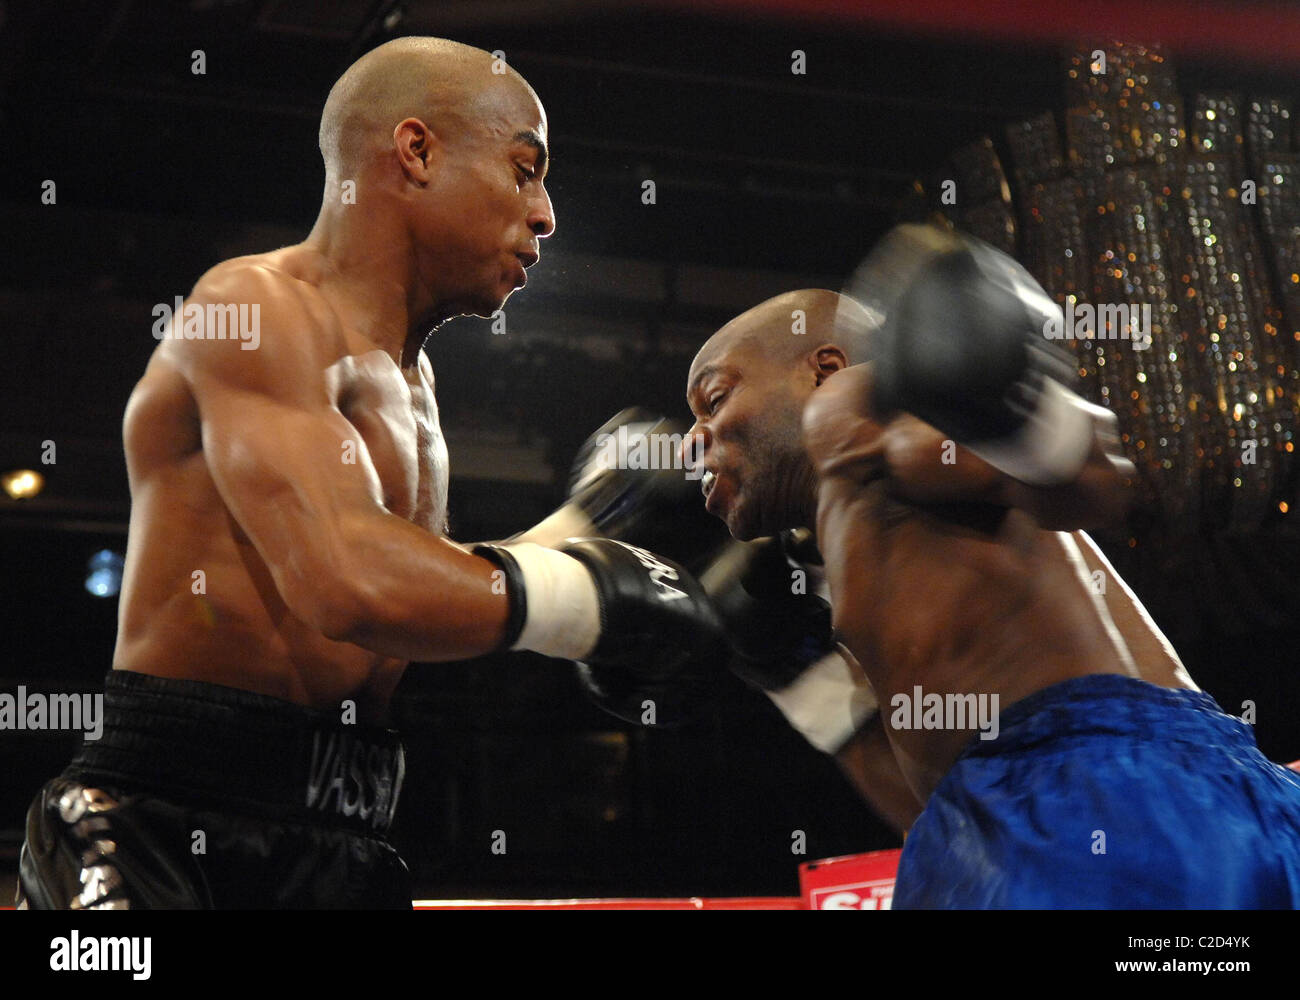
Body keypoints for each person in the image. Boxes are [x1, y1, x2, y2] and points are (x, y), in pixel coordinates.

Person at [18, 36, 723, 910]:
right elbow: (347, 584)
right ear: (417, 151)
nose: (545, 214)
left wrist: (577, 535)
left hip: (344, 834)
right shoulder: (254, 307)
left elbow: (396, 614)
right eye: (524, 169)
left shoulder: (415, 385)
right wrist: (589, 600)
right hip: (161, 829)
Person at [681, 262, 1300, 907]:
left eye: (715, 399)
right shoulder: (847, 545)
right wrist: (806, 687)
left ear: (825, 369)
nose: (694, 442)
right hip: (1083, 816)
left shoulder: (857, 410)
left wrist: (1012, 399)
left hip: (1113, 799)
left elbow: (1094, 478)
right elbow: (941, 804)